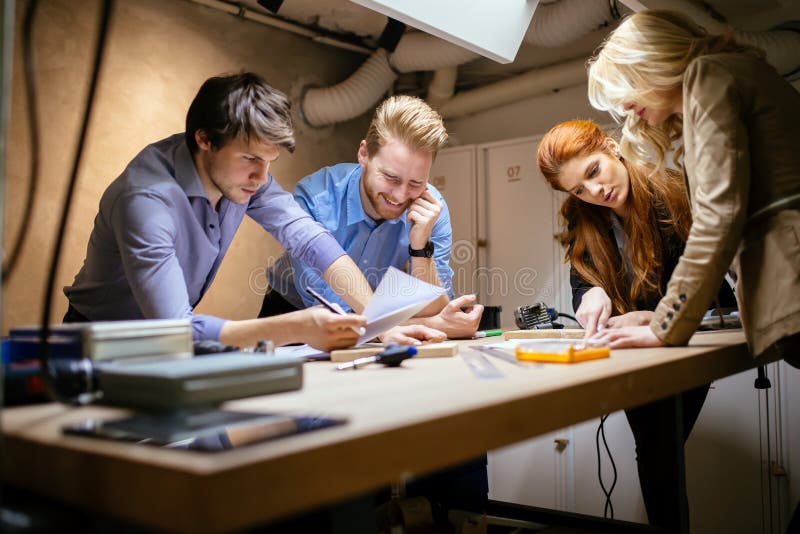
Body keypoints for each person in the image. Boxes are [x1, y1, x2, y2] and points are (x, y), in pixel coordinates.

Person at [63, 72, 380, 352]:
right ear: (204, 139)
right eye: (250, 158)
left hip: (165, 342)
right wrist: (295, 327)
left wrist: (377, 320)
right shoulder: (145, 202)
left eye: (269, 161)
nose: (261, 177)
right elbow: (175, 327)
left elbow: (309, 240)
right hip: (95, 344)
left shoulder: (244, 178)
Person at [538, 118, 735, 531]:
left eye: (593, 172)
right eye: (579, 189)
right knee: (655, 453)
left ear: (610, 147)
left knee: (657, 452)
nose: (595, 192)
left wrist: (659, 317)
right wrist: (590, 293)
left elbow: (716, 294)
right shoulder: (585, 214)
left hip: (685, 340)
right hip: (634, 348)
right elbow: (582, 275)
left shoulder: (671, 196)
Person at [584, 10, 800, 368]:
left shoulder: (707, 74)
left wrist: (666, 326)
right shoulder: (740, 70)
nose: (624, 106)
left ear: (648, 61)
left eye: (623, 88)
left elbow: (719, 217)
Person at [260, 94, 483, 339]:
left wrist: (420, 248)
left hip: (384, 321)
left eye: (416, 182)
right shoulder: (314, 198)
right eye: (391, 178)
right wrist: (434, 324)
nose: (400, 196)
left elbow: (437, 307)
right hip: (293, 312)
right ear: (364, 154)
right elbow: (335, 315)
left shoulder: (431, 209)